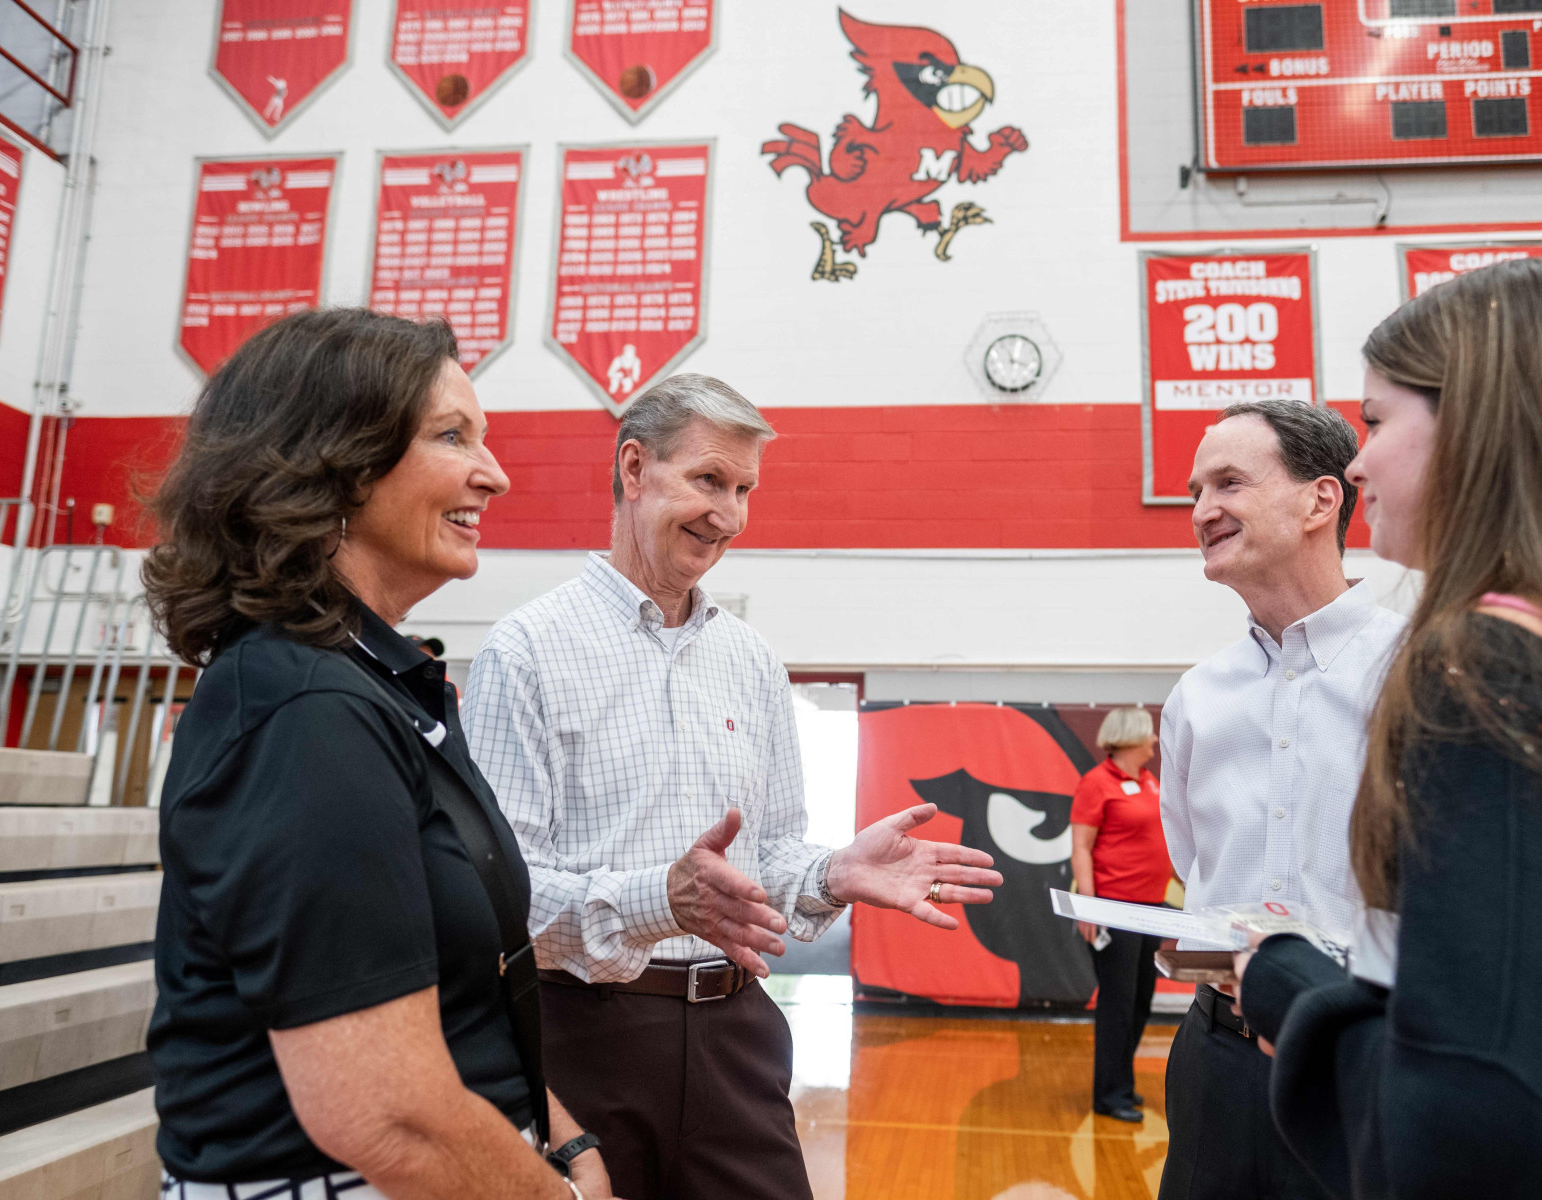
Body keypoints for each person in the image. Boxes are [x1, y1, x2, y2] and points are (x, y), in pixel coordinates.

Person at [1233, 259, 1542, 1198]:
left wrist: (1288, 990)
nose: (1355, 460)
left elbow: (1495, 1122)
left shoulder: (1482, 670)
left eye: (1376, 421)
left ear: (1480, 427)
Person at [462, 373, 1005, 1200]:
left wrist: (830, 875)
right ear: (634, 468)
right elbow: (498, 901)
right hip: (581, 1042)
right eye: (710, 480)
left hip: (737, 1032)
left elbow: (771, 856)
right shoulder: (526, 651)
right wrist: (661, 899)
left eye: (745, 489)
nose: (732, 515)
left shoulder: (749, 659)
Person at [143, 309, 610, 1200]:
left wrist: (564, 1134)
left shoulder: (380, 684)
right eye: (452, 436)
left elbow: (466, 993)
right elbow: (387, 1115)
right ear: (334, 463)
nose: (496, 474)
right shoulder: (304, 708)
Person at [1158, 399, 1403, 1200]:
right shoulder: (1197, 697)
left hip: (1369, 1050)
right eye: (1196, 491)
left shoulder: (1418, 666)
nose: (1201, 511)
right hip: (1217, 1057)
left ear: (1320, 500)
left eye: (1229, 482)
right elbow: (1195, 864)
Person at [1070, 705, 1171, 1125]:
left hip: (1151, 909)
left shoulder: (1149, 782)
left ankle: (1120, 1082)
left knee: (1141, 1001)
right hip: (1114, 909)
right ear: (1130, 738)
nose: (1155, 741)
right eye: (1149, 734)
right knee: (1118, 1002)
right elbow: (1081, 848)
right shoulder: (1097, 783)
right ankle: (1110, 1095)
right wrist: (1089, 907)